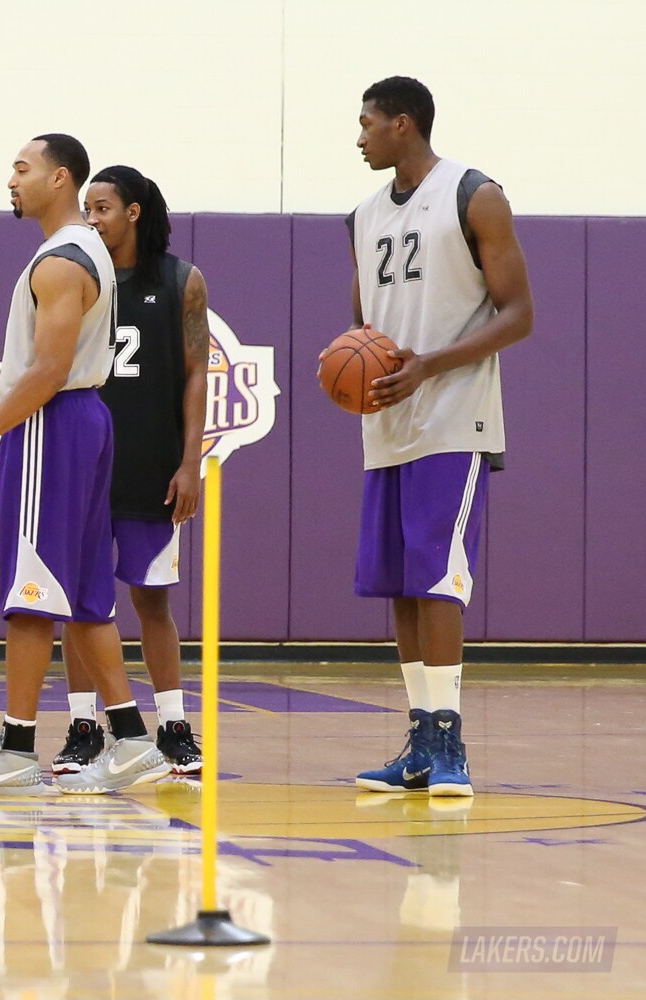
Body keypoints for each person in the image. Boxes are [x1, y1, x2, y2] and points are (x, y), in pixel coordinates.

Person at [0, 134, 169, 795]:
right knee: (87, 599)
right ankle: (134, 742)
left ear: (59, 178)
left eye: (22, 168)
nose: (11, 179)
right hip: (80, 423)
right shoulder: (83, 250)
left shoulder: (61, 261)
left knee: (31, 593)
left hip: (51, 426)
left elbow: (49, 371)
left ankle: (15, 751)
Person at [341, 77, 532, 797]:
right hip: (389, 415)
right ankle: (419, 740)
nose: (358, 137)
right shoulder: (361, 215)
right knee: (398, 583)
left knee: (437, 576)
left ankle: (450, 743)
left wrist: (430, 366)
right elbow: (364, 322)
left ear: (403, 123)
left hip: (455, 413)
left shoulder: (474, 194)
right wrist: (353, 370)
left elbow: (518, 315)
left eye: (366, 124)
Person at [54, 165, 209, 777]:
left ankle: (173, 726)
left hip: (150, 460)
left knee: (152, 600)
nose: (90, 218)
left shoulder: (180, 280)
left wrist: (191, 460)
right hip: (81, 458)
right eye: (86, 208)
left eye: (101, 207)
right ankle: (83, 727)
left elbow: (197, 370)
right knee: (79, 604)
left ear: (133, 212)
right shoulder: (74, 274)